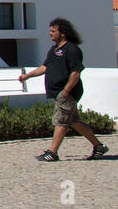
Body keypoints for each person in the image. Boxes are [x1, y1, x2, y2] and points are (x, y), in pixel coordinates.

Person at [19, 17, 109, 162]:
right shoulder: (54, 50)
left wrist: (66, 91)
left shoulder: (72, 50)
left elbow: (76, 72)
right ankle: (99, 146)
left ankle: (52, 153)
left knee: (60, 121)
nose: (50, 33)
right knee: (74, 121)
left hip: (67, 93)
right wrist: (28, 76)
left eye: (53, 31)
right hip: (59, 92)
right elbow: (45, 67)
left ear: (63, 33)